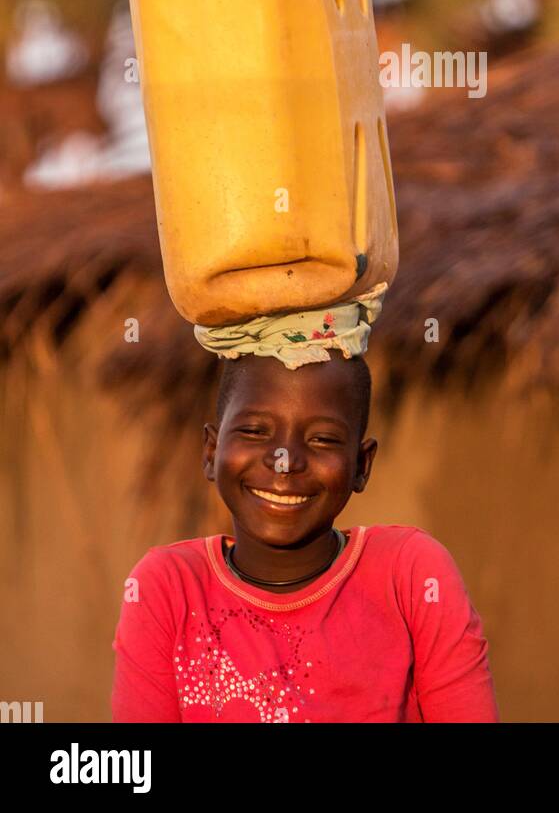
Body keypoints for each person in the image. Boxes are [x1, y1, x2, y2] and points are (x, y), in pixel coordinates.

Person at [111, 291, 499, 723]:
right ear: (211, 450)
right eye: (256, 431)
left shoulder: (410, 575)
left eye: (322, 439)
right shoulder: (168, 590)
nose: (285, 461)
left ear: (361, 465)